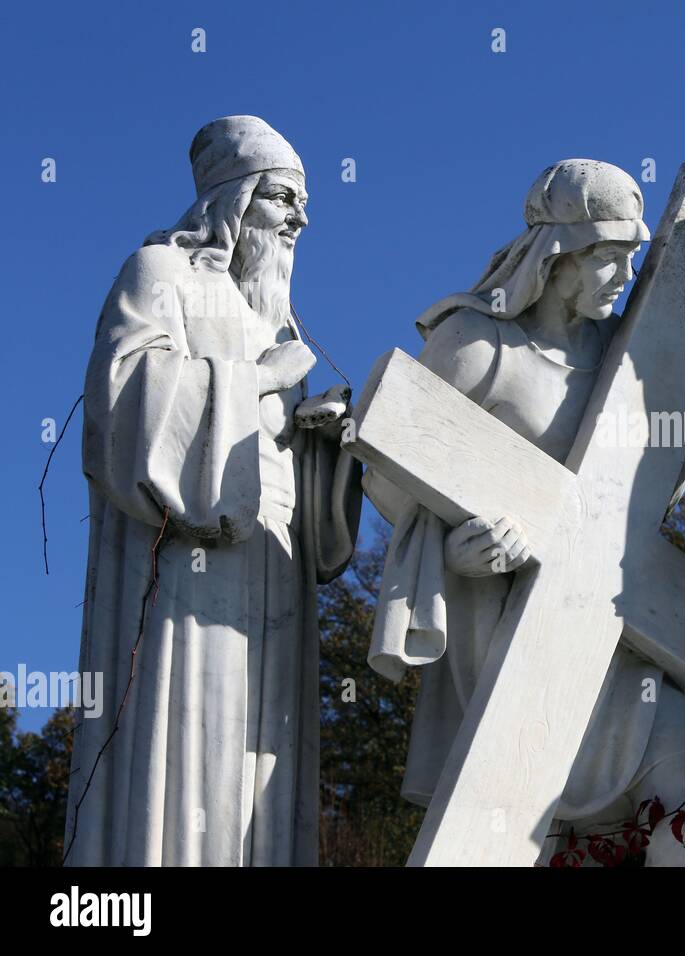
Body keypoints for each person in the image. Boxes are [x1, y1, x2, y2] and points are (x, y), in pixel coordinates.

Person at [367, 159, 685, 865]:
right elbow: (393, 477)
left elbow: (639, 495)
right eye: (607, 258)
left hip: (616, 626)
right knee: (511, 825)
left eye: (632, 258)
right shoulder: (478, 346)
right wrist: (451, 556)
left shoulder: (627, 357)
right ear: (557, 254)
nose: (624, 276)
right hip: (508, 626)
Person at [68, 116, 361, 866]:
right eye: (283, 198)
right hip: (188, 575)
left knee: (261, 762)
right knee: (189, 746)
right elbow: (127, 403)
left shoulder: (276, 320)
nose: (302, 219)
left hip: (273, 570)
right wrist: (257, 380)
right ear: (231, 201)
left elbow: (302, 492)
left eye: (303, 202)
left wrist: (321, 443)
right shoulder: (159, 275)